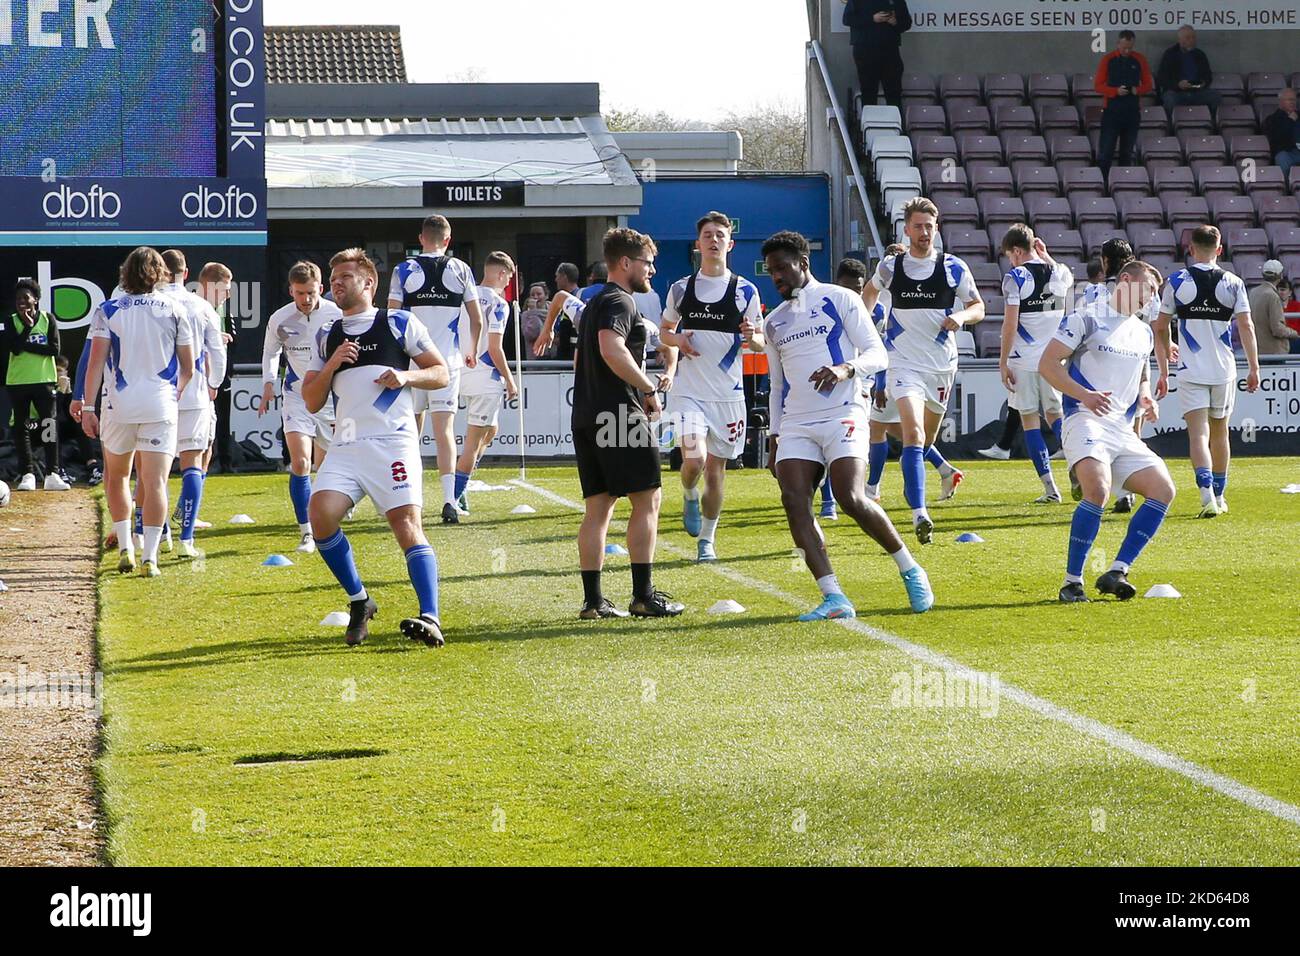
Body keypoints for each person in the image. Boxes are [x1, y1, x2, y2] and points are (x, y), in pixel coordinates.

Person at [762, 230, 933, 619]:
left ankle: (909, 567)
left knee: (849, 496)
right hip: (796, 423)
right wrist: (774, 435)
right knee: (794, 500)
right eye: (771, 271)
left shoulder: (841, 299)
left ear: (803, 264)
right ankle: (834, 596)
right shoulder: (773, 323)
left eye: (782, 268)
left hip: (844, 412)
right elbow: (776, 386)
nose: (776, 277)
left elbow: (877, 354)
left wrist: (845, 369)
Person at [302, 248, 451, 648]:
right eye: (333, 277)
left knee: (406, 526)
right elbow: (312, 400)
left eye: (345, 276)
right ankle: (360, 600)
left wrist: (406, 376)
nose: (336, 283)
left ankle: (431, 616)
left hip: (392, 443)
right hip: (346, 446)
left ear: (369, 283)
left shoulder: (399, 322)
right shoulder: (327, 333)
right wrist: (333, 362)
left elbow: (440, 373)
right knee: (320, 516)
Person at [1039, 261, 1174, 603]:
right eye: (1147, 290)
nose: (1150, 299)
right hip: (1083, 418)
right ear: (1125, 281)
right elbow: (1047, 364)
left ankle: (1117, 570)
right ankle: (1072, 582)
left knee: (1163, 490)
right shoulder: (1085, 317)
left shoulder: (1142, 332)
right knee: (1097, 490)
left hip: (1122, 429)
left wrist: (1145, 397)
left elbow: (1141, 375)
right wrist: (1084, 395)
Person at [570, 227, 682, 619]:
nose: (651, 270)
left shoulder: (595, 302)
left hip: (587, 414)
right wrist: (648, 386)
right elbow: (611, 347)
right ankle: (643, 595)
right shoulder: (620, 301)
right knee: (647, 498)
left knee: (598, 508)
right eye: (647, 264)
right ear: (625, 263)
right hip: (618, 414)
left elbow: (583, 360)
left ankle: (593, 601)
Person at [863, 197, 984, 543]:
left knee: (926, 438)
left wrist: (960, 316)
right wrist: (865, 333)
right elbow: (869, 295)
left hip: (941, 366)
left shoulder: (953, 267)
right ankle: (919, 513)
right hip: (902, 363)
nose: (924, 232)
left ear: (936, 228)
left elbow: (977, 306)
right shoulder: (891, 267)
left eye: (929, 226)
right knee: (913, 435)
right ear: (907, 229)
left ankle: (943, 473)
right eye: (918, 226)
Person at [80, 247, 194, 577]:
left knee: (117, 477)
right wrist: (174, 394)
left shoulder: (108, 309)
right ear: (160, 273)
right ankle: (151, 558)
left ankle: (127, 548)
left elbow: (95, 364)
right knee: (155, 481)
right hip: (160, 405)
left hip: (119, 406)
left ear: (125, 273)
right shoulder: (175, 308)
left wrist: (89, 406)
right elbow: (189, 366)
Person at [658, 212, 764, 562]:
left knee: (716, 471)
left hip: (729, 395)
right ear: (698, 243)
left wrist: (753, 338)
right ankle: (688, 490)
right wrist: (678, 341)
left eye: (720, 235)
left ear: (730, 244)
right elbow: (664, 332)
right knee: (694, 460)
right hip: (689, 391)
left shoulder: (746, 290)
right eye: (708, 235)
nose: (714, 240)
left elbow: (760, 342)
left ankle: (707, 540)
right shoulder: (680, 289)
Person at [1154, 226, 1259, 517]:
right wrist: (1253, 366)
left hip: (1190, 371)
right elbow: (1247, 327)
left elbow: (1160, 326)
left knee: (1197, 436)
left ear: (1190, 249)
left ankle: (1206, 494)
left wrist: (1167, 354)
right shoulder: (1234, 282)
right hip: (1224, 370)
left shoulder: (1176, 281)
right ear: (1220, 249)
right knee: (1220, 434)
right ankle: (1221, 495)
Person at [386, 215, 483, 525]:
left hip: (413, 362)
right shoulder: (461, 269)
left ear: (421, 238)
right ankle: (449, 501)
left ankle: (406, 498)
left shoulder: (404, 269)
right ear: (448, 240)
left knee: (408, 433)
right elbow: (477, 319)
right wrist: (470, 351)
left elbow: (392, 317)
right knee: (444, 432)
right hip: (447, 362)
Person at [260, 261, 343, 554]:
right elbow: (270, 352)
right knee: (300, 463)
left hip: (330, 400)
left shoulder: (337, 315)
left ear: (320, 289)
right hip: (296, 397)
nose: (305, 299)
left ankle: (326, 520)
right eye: (299, 293)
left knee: (327, 467)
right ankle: (306, 531)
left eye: (310, 293)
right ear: (291, 291)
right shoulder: (280, 319)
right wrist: (269, 382)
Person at [998, 225, 1075, 503]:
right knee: (1057, 418)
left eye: (1011, 255)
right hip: (1053, 359)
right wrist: (1047, 256)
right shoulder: (1060, 272)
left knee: (1030, 422)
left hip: (1024, 360)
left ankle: (1051, 489)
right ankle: (1077, 467)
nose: (1011, 261)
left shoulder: (1015, 278)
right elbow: (1065, 279)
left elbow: (1010, 324)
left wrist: (1003, 361)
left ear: (1017, 251)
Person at [159, 251, 227, 558]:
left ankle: (156, 533)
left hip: (158, 396)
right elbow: (218, 352)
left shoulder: (145, 304)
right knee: (194, 464)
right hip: (195, 395)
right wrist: (213, 383)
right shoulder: (201, 306)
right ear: (186, 274)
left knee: (152, 469)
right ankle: (186, 539)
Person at [454, 252, 520, 514]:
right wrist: (509, 379)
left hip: (462, 370)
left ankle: (462, 481)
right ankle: (456, 496)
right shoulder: (498, 303)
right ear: (501, 273)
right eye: (509, 278)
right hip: (485, 376)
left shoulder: (466, 298)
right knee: (474, 439)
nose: (508, 284)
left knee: (491, 430)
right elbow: (494, 347)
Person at [5, 277, 69, 491]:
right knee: (21, 427)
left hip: (44, 381)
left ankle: (52, 473)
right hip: (18, 382)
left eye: (26, 298)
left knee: (48, 425)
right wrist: (26, 327)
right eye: (18, 299)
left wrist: (25, 343)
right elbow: (13, 348)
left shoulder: (48, 319)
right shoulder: (12, 320)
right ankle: (28, 474)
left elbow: (54, 350)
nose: (21, 302)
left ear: (36, 300)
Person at [1094, 30, 1154, 179]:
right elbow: (1098, 85)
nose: (1127, 51)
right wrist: (1114, 91)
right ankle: (1104, 182)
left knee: (1127, 152)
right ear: (1118, 44)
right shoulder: (1108, 60)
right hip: (1112, 111)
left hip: (1132, 111)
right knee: (1106, 150)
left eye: (1130, 48)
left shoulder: (1139, 60)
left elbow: (1148, 84)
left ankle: (1124, 182)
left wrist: (1136, 89)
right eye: (1124, 48)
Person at [200, 262, 236, 474]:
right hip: (196, 381)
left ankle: (224, 462)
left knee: (218, 423)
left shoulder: (220, 310)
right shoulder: (193, 307)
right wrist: (211, 339)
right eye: (225, 289)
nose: (228, 295)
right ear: (209, 286)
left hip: (218, 377)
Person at [842, 1, 912, 108]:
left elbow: (907, 23)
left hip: (890, 51)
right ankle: (870, 123)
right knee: (868, 93)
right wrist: (872, 18)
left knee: (894, 93)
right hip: (865, 51)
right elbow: (847, 19)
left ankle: (895, 123)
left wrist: (895, 22)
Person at [1156, 26, 1221, 117]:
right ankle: (1172, 127)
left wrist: (1203, 83)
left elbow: (1208, 76)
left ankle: (1213, 124)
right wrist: (1178, 84)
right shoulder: (1170, 54)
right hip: (1176, 92)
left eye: (1193, 37)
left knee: (1215, 96)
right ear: (1179, 40)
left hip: (1197, 91)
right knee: (1170, 99)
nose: (1191, 40)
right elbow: (1162, 78)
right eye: (1188, 38)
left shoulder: (1200, 54)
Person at [1248, 260, 1298, 355]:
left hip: (1256, 349)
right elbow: (1277, 329)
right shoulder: (1273, 296)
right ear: (1280, 276)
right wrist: (1293, 333)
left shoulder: (1253, 292)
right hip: (1274, 351)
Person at [1264, 87, 1300, 176]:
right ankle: (1286, 188)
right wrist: (1290, 121)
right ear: (1280, 102)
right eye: (1290, 100)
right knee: (1282, 158)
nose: (1293, 102)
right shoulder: (1272, 119)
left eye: (1294, 100)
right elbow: (1276, 139)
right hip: (1287, 152)